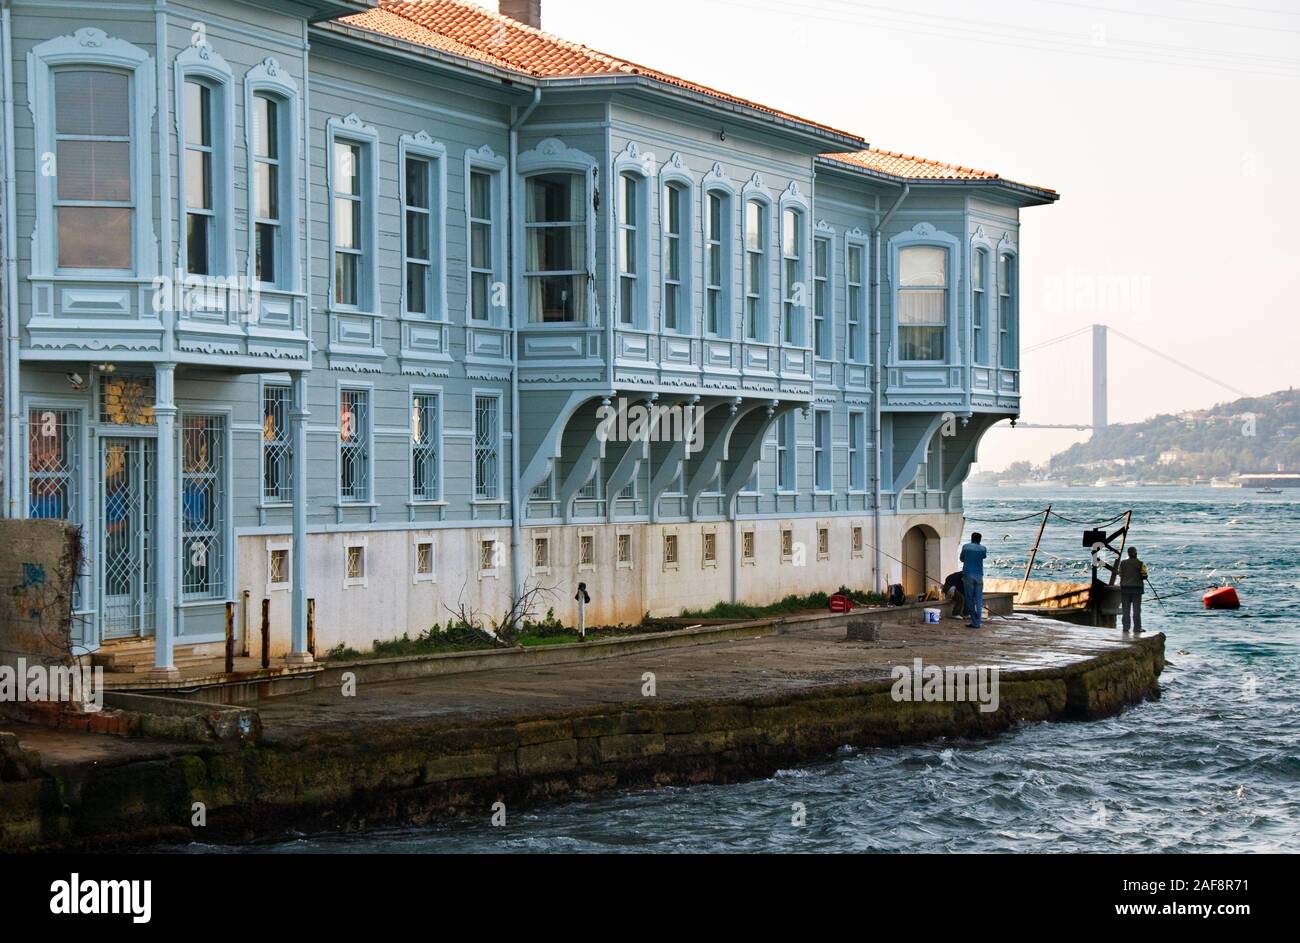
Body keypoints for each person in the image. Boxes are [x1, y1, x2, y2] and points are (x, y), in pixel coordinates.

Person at [959, 533, 987, 629]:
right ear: (980, 539)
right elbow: (984, 556)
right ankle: (978, 622)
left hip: (968, 575)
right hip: (979, 575)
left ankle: (974, 622)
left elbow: (961, 558)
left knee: (969, 599)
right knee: (979, 599)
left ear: (971, 538)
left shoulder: (966, 547)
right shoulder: (983, 548)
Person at [1118, 546, 1148, 632]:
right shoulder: (1140, 563)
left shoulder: (1123, 563)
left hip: (1125, 589)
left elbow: (1120, 574)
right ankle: (1137, 628)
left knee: (1126, 610)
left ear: (1128, 554)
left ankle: (1126, 628)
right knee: (1136, 610)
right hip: (1136, 590)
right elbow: (1144, 576)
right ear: (1135, 553)